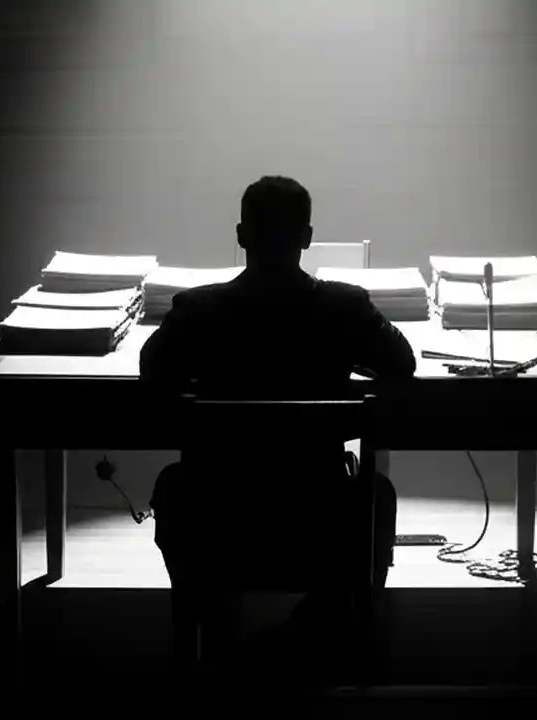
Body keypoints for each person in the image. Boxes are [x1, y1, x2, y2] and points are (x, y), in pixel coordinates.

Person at [140, 175, 415, 596]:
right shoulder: (345, 308)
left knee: (174, 485)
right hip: (318, 508)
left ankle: (204, 614)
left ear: (241, 235)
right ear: (307, 238)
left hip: (220, 508)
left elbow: (153, 371)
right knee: (378, 492)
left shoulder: (196, 311)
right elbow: (401, 364)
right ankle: (349, 618)